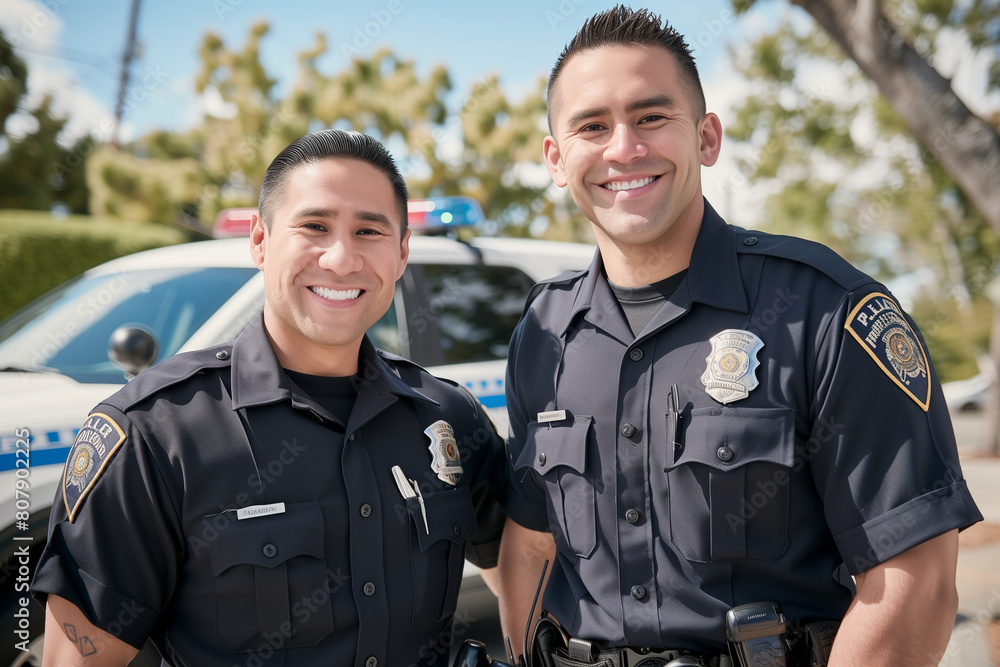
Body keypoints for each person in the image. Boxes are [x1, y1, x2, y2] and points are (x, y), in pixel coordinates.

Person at [496, 6, 983, 666]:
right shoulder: (543, 333)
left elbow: (915, 576)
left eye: (651, 117)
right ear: (557, 158)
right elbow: (530, 543)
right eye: (592, 126)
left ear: (706, 137)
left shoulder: (825, 309)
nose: (623, 148)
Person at [31, 129, 507, 667]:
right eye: (315, 226)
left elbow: (520, 555)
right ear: (260, 241)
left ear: (400, 254)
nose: (341, 258)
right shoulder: (156, 433)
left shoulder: (445, 415)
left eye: (369, 231)